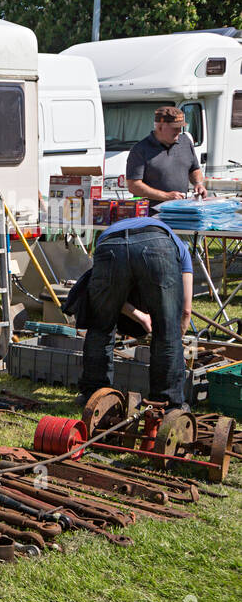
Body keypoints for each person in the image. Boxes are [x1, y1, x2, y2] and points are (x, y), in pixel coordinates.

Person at [78, 216, 194, 408]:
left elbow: (110, 301)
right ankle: (166, 403)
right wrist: (176, 339)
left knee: (100, 327)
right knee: (167, 332)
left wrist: (139, 316)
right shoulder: (179, 247)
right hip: (157, 247)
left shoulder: (113, 233)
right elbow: (186, 311)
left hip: (109, 244)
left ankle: (94, 396)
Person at [125, 106, 208, 206]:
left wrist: (198, 184)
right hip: (152, 215)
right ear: (160, 127)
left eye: (180, 127)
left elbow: (194, 169)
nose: (179, 131)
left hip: (181, 210)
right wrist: (166, 196)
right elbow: (134, 186)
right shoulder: (140, 149)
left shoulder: (186, 142)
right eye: (175, 128)